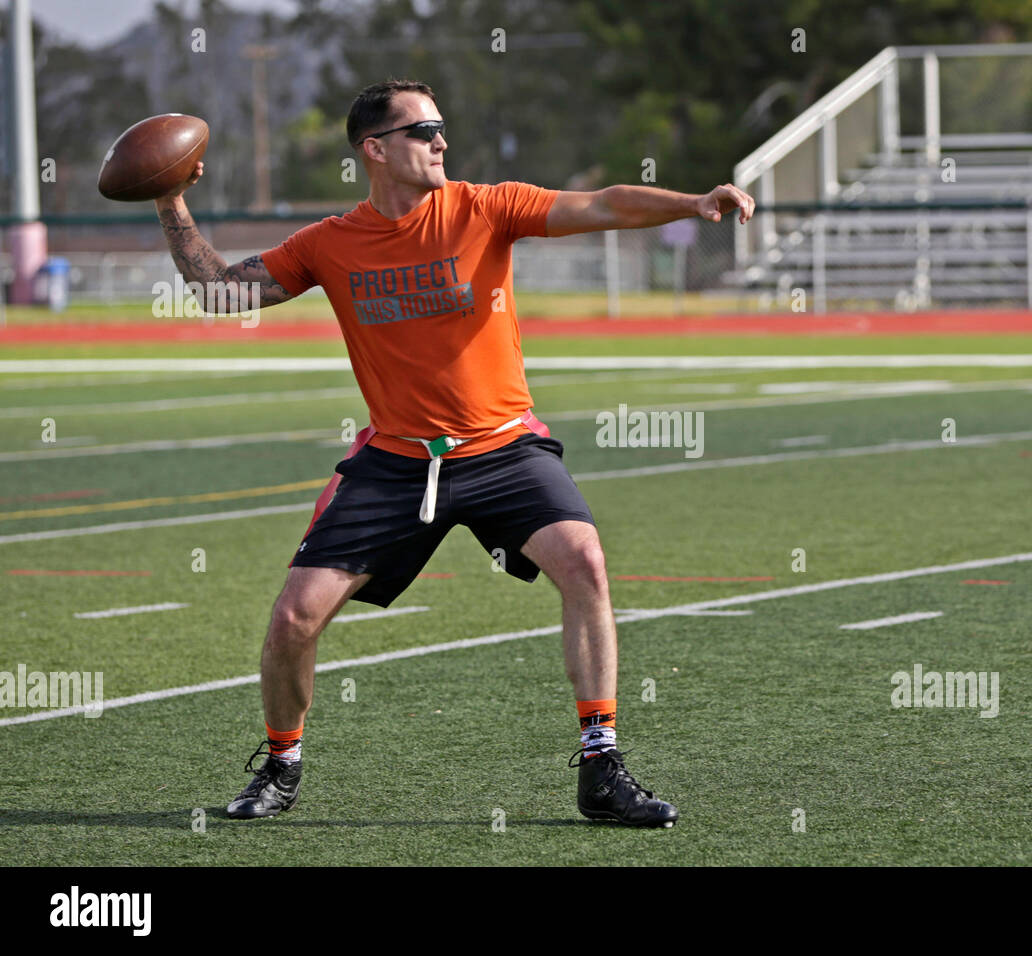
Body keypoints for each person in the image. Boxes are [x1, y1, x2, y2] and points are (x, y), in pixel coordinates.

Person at [154, 78, 754, 828]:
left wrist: (692, 202)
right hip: (396, 462)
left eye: (442, 127)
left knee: (585, 561)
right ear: (375, 149)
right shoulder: (329, 243)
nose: (442, 141)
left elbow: (601, 204)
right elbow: (219, 293)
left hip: (505, 449)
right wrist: (169, 196)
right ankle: (281, 764)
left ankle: (600, 765)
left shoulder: (485, 207)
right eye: (422, 129)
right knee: (292, 622)